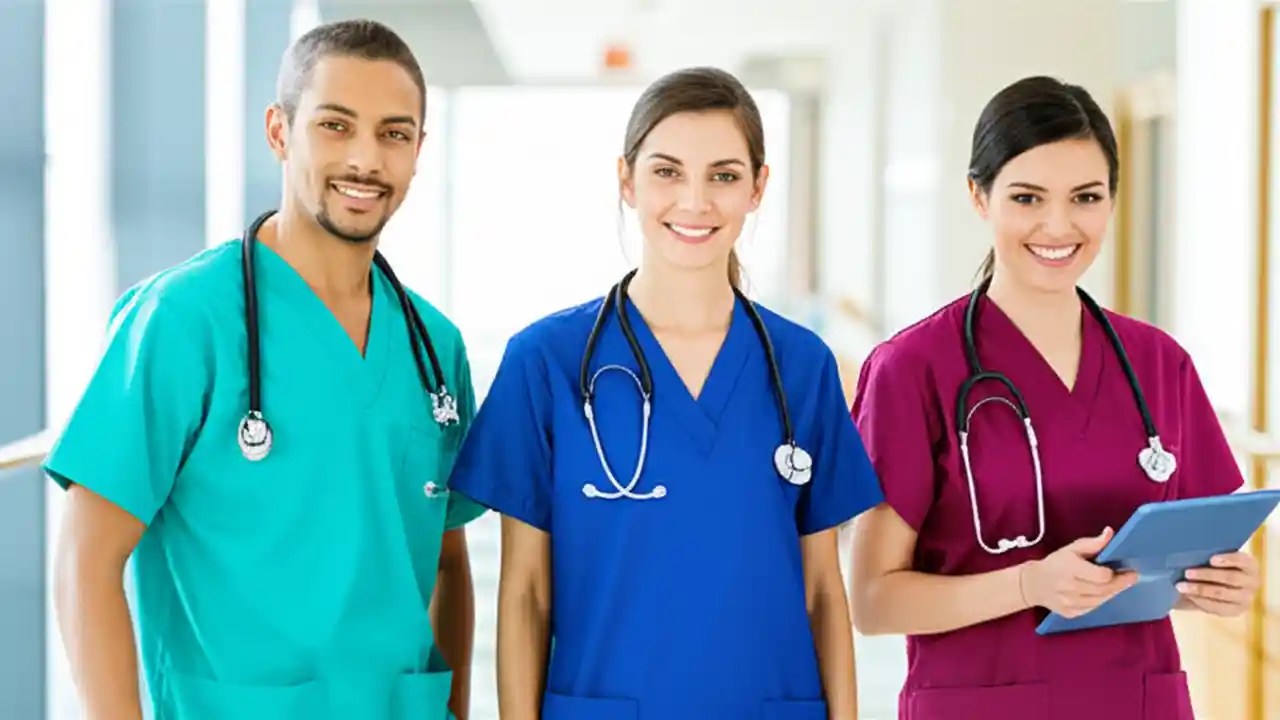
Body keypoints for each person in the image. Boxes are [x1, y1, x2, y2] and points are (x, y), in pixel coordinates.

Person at [45, 19, 486, 720]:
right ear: (280, 131)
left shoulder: (435, 345)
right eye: (336, 126)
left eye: (394, 133)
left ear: (418, 151)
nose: (367, 159)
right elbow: (86, 561)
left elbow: (445, 563)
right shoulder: (183, 320)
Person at [445, 66, 883, 719]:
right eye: (668, 172)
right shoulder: (547, 362)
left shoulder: (801, 367)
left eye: (725, 176)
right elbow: (526, 593)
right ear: (627, 180)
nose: (695, 202)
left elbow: (824, 590)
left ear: (759, 187)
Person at [847, 75, 1261, 720]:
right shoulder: (912, 368)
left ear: (1112, 202)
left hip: (1138, 699)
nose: (1058, 225)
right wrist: (1028, 584)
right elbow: (873, 602)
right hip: (980, 704)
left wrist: (1215, 586)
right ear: (978, 196)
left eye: (1086, 197)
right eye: (1027, 197)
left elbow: (1171, 571)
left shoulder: (1157, 363)